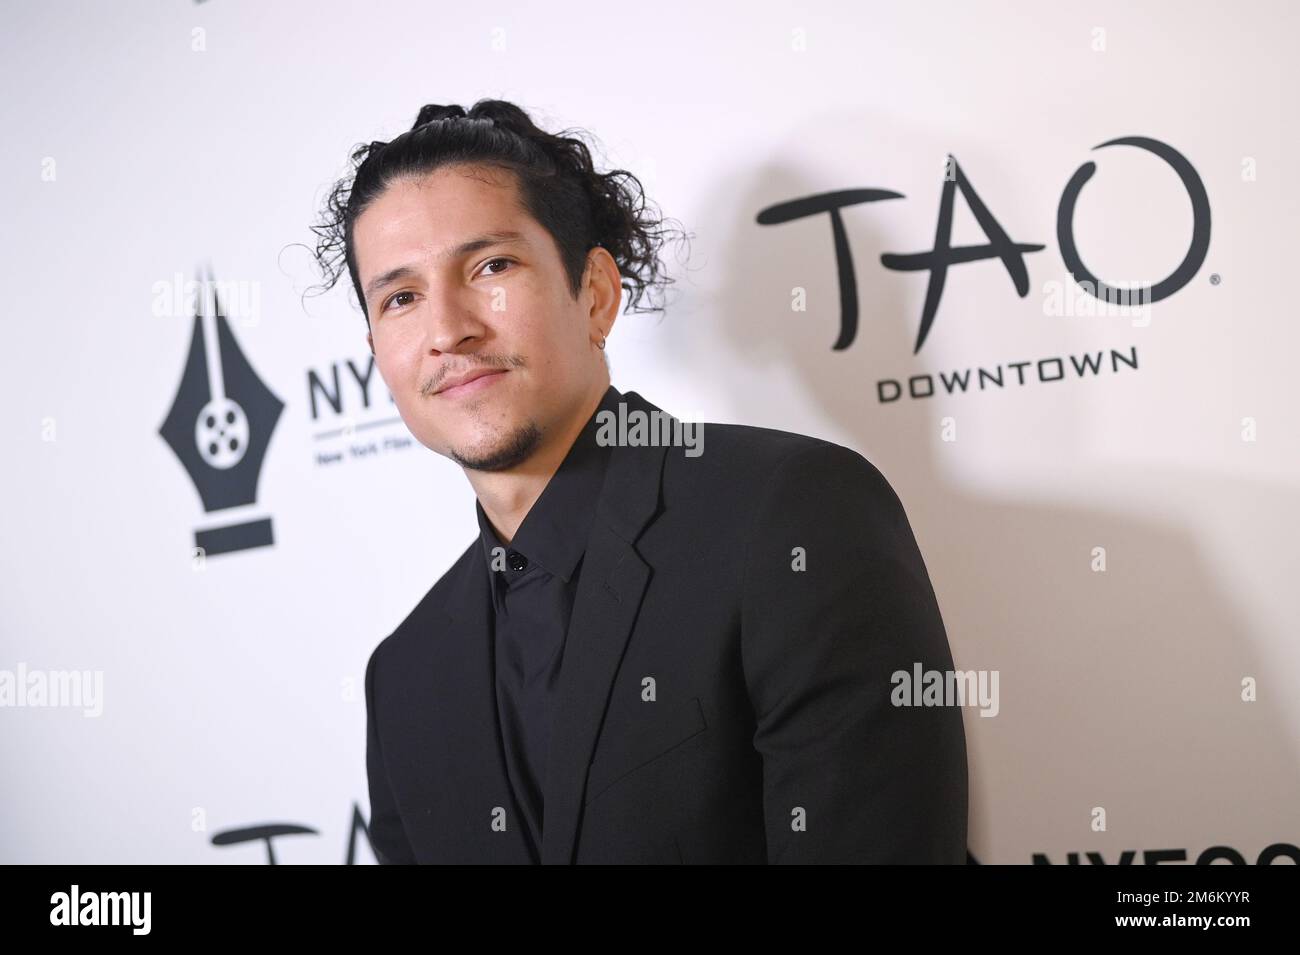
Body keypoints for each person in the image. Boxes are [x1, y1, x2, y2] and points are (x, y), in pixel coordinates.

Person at [308, 99, 968, 863]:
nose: (448, 329)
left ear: (594, 292)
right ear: (376, 350)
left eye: (491, 265)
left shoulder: (792, 519)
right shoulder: (405, 680)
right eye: (401, 298)